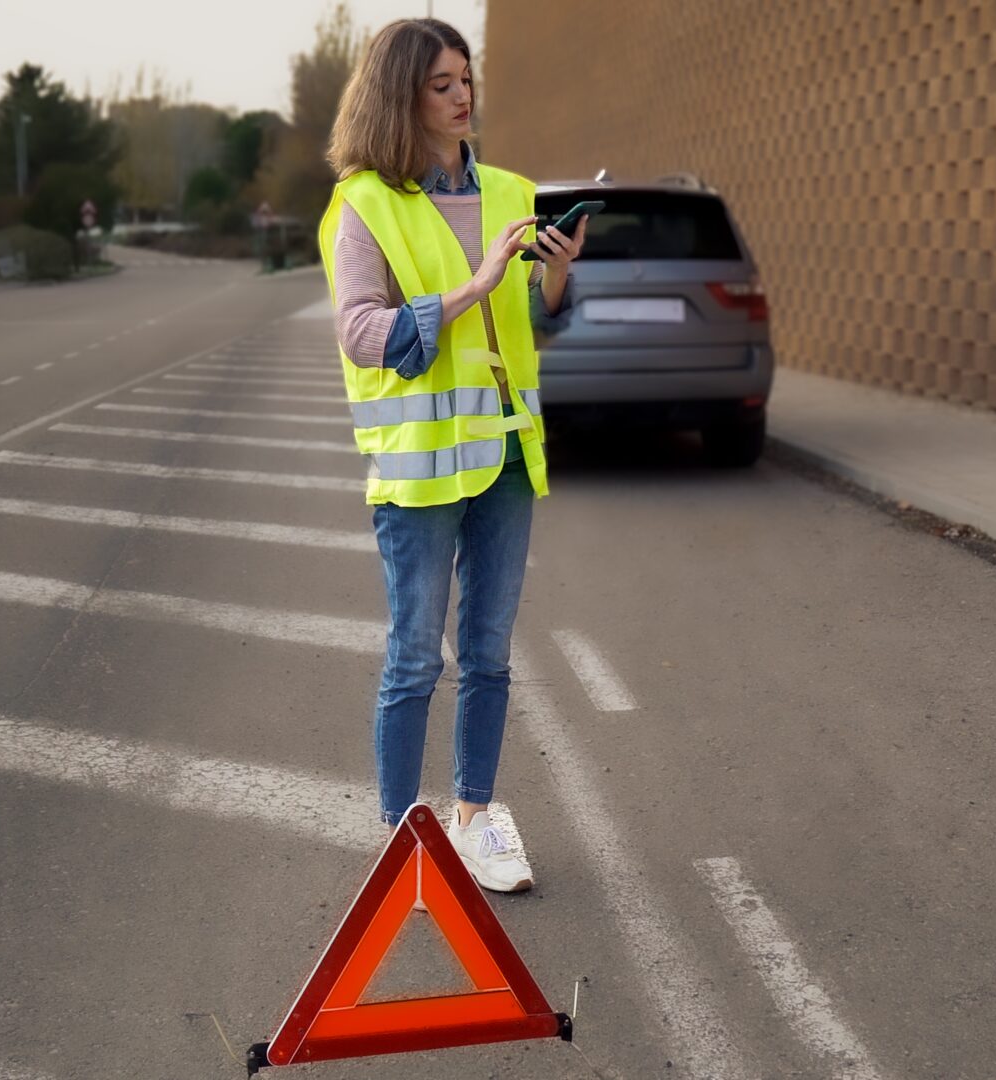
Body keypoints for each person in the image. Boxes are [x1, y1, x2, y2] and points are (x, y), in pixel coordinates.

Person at [318, 18, 586, 893]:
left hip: (507, 458)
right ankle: (402, 846)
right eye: (442, 83)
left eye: (467, 79)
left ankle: (474, 819)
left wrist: (555, 273)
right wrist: (470, 288)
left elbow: (537, 323)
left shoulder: (512, 188)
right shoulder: (365, 203)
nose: (464, 95)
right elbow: (362, 333)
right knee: (412, 659)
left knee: (491, 653)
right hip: (422, 465)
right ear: (402, 95)